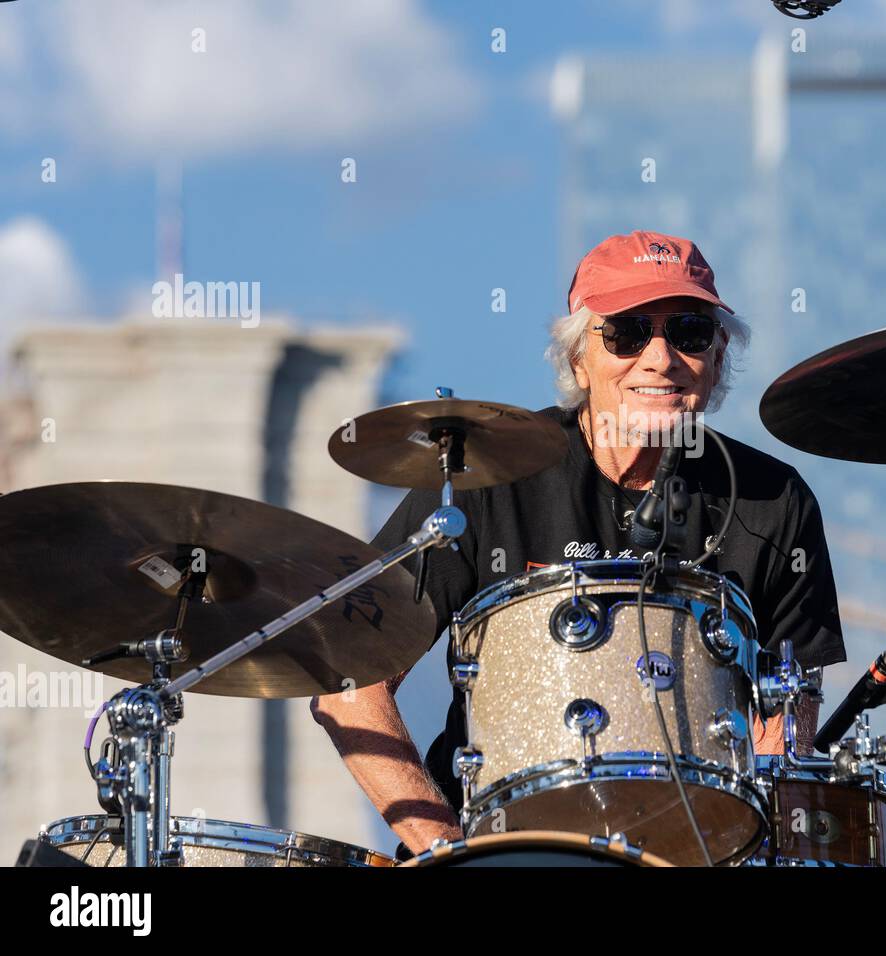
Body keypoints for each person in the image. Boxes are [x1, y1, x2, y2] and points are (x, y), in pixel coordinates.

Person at [311, 230, 845, 858]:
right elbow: (347, 681)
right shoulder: (487, 473)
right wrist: (445, 849)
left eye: (690, 333)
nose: (660, 357)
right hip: (503, 849)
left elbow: (787, 728)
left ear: (719, 357)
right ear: (576, 361)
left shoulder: (775, 501)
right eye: (625, 331)